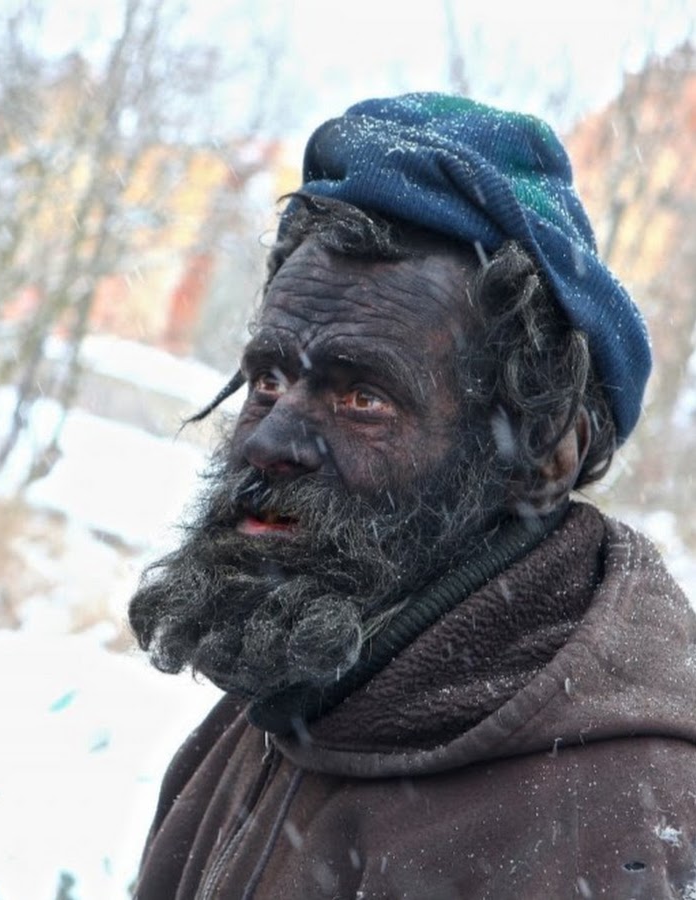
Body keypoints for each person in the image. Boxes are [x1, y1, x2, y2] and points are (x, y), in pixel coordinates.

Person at [127, 93, 696, 899]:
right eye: (268, 379)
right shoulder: (302, 685)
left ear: (540, 459)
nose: (266, 441)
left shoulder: (620, 826)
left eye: (363, 399)